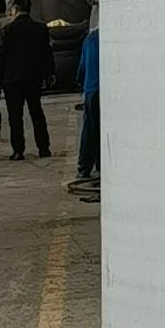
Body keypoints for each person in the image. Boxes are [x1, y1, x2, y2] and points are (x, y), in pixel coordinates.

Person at [0, 0, 51, 160]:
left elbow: (2, 55)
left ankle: (18, 150)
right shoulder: (40, 29)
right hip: (33, 77)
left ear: (15, 9)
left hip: (12, 79)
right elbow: (46, 53)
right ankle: (44, 148)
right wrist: (49, 73)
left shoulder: (8, 30)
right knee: (36, 112)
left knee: (15, 116)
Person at [70, 11, 100, 197]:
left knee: (90, 130)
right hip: (110, 90)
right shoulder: (116, 37)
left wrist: (82, 83)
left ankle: (84, 169)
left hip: (92, 88)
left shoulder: (90, 39)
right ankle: (102, 166)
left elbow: (82, 67)